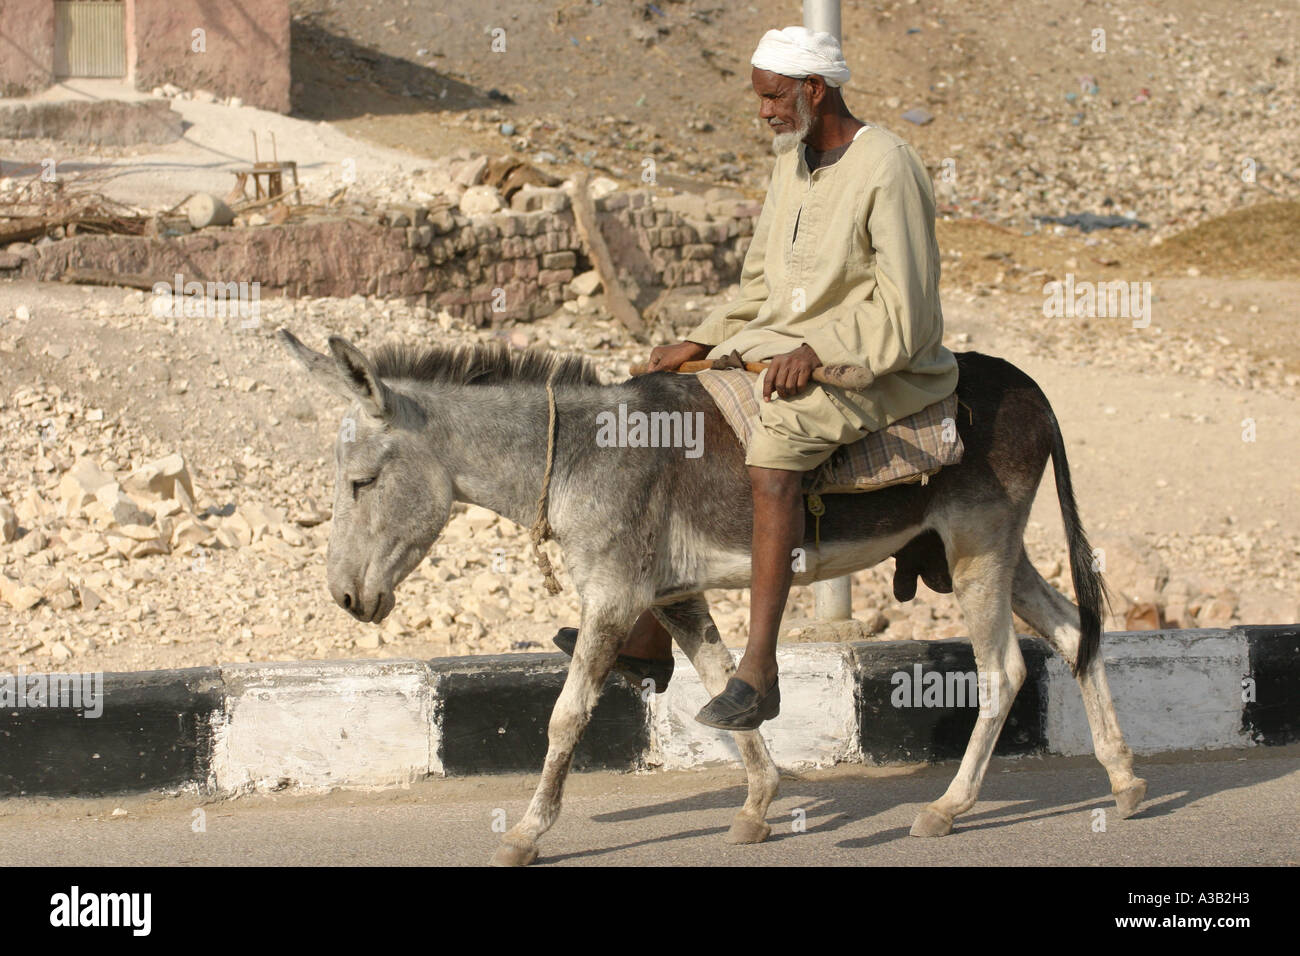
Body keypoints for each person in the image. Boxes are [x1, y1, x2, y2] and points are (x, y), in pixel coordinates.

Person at [556, 25, 958, 730]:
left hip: (879, 363)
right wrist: (702, 340)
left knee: (774, 456)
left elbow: (909, 309)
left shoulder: (889, 164)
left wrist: (816, 346)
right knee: (661, 415)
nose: (766, 112)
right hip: (777, 349)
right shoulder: (790, 163)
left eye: (774, 97)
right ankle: (650, 640)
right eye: (760, 100)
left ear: (815, 88)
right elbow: (758, 289)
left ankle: (759, 670)